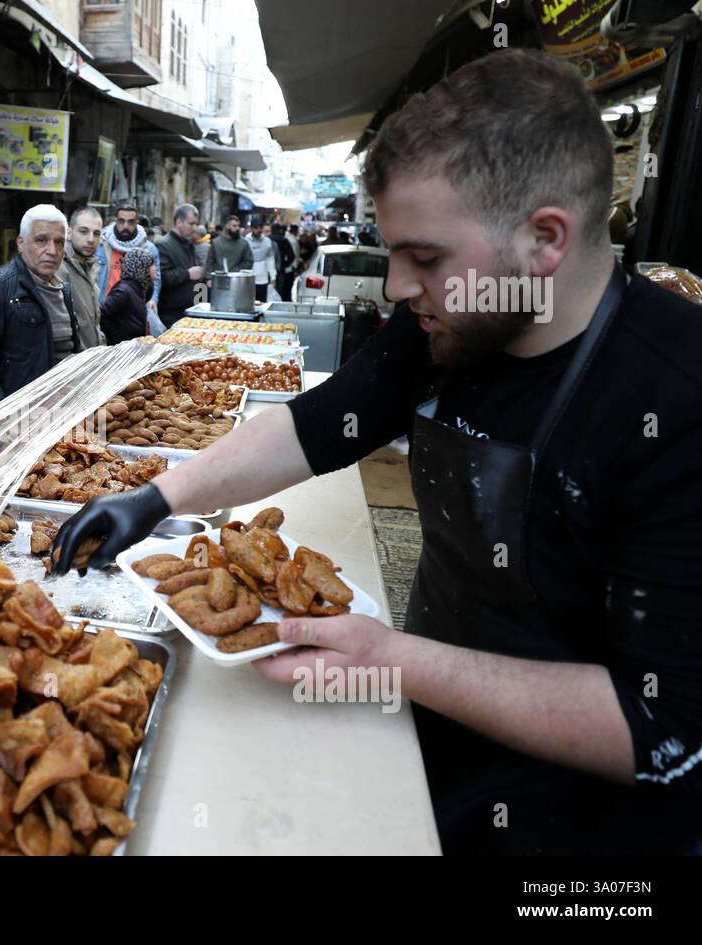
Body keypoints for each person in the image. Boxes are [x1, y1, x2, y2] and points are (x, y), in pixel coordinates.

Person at [51, 48, 702, 854]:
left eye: (423, 257)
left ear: (544, 240)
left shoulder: (675, 398)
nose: (394, 286)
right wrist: (157, 497)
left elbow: (655, 728)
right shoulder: (450, 323)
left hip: (585, 831)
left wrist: (393, 659)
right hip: (434, 732)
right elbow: (318, 424)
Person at [0, 205, 81, 414]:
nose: (52, 250)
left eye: (59, 242)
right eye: (41, 240)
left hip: (61, 415)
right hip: (17, 422)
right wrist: (2, 416)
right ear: (21, 243)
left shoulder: (63, 290)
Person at [95, 204, 160, 314]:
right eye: (121, 221)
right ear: (116, 221)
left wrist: (153, 300)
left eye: (130, 222)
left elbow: (156, 279)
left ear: (136, 223)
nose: (125, 226)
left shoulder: (149, 249)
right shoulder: (101, 244)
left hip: (135, 309)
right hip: (105, 306)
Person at [57, 207, 105, 349]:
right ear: (69, 233)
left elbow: (93, 321)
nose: (91, 239)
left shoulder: (91, 266)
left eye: (96, 234)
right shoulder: (59, 267)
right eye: (84, 231)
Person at [154, 204, 205, 328]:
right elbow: (163, 276)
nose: (195, 228)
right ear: (178, 222)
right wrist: (188, 274)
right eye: (191, 224)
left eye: (196, 224)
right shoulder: (163, 245)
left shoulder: (189, 244)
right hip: (171, 312)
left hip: (190, 309)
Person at [99, 247, 154, 344]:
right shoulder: (123, 291)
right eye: (151, 265)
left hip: (136, 346)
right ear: (141, 267)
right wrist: (120, 338)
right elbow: (103, 316)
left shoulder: (139, 288)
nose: (155, 269)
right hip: (125, 350)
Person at [246, 217, 278, 303]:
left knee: (262, 303)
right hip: (249, 278)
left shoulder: (267, 241)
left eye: (260, 227)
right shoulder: (245, 241)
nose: (259, 230)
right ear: (251, 228)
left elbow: (270, 260)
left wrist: (273, 276)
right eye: (256, 228)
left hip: (263, 279)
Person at [269, 222, 296, 299]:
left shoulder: (268, 240)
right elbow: (291, 256)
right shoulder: (284, 240)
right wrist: (284, 264)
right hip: (280, 269)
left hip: (268, 270)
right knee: (279, 292)